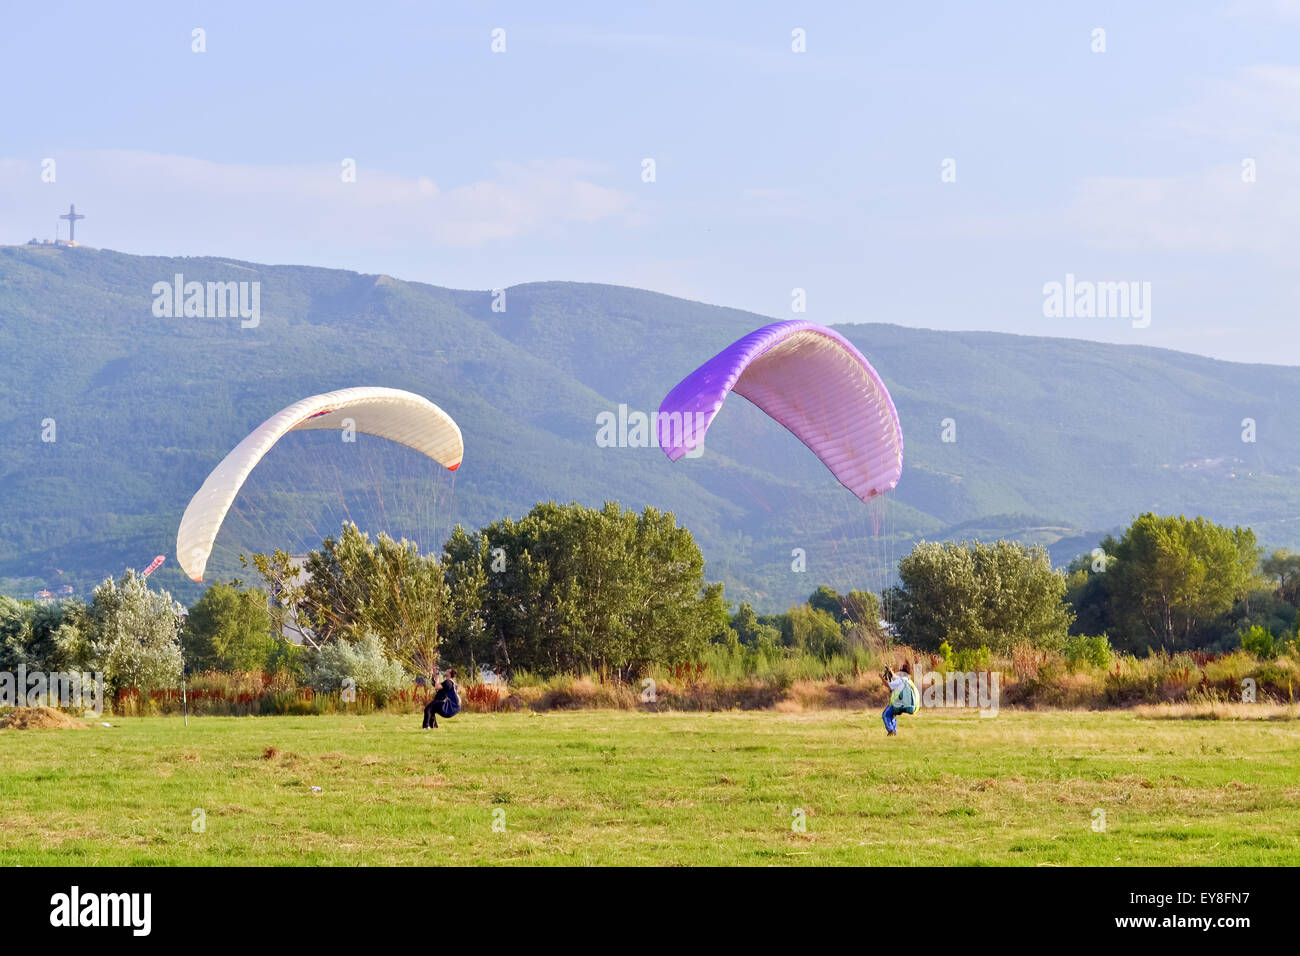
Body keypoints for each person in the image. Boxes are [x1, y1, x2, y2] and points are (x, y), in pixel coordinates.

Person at [881, 662, 918, 736]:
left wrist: (881, 677)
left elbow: (887, 685)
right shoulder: (907, 680)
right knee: (892, 714)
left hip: (900, 705)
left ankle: (891, 731)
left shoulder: (900, 681)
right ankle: (894, 732)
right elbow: (895, 677)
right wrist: (890, 670)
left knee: (885, 714)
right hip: (910, 706)